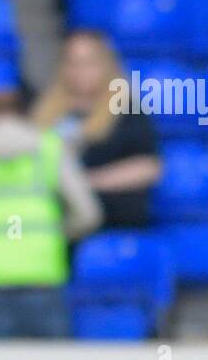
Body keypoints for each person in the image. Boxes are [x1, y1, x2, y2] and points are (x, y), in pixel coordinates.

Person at [0, 88, 103, 338]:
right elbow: (88, 214)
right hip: (43, 273)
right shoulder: (50, 149)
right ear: (26, 116)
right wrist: (55, 233)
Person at [31, 29, 162, 230]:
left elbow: (148, 167)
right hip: (57, 220)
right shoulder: (44, 111)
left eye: (88, 62)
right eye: (72, 62)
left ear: (106, 65)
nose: (79, 71)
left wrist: (85, 182)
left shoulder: (126, 109)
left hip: (114, 222)